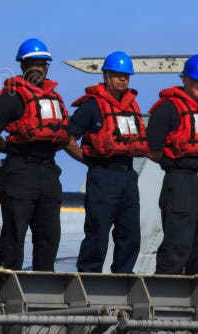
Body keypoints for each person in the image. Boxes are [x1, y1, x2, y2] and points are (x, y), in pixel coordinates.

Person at [0, 38, 69, 271]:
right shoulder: (12, 96)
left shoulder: (54, 98)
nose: (39, 68)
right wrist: (12, 149)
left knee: (49, 236)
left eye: (43, 64)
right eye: (33, 64)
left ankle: (44, 289)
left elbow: (66, 137)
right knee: (15, 234)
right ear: (22, 66)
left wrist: (88, 160)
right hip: (20, 171)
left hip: (49, 172)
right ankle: (9, 285)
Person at [65, 51, 149, 273]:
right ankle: (89, 276)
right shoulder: (92, 105)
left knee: (130, 232)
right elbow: (68, 138)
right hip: (102, 176)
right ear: (106, 76)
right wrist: (88, 161)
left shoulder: (132, 107)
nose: (122, 79)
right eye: (117, 75)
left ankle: (124, 276)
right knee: (98, 230)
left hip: (128, 176)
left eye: (126, 75)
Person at [147, 54, 198, 275]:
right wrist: (172, 163)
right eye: (197, 80)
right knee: (177, 244)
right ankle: (166, 292)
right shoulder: (168, 108)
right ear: (185, 80)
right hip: (180, 181)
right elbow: (151, 148)